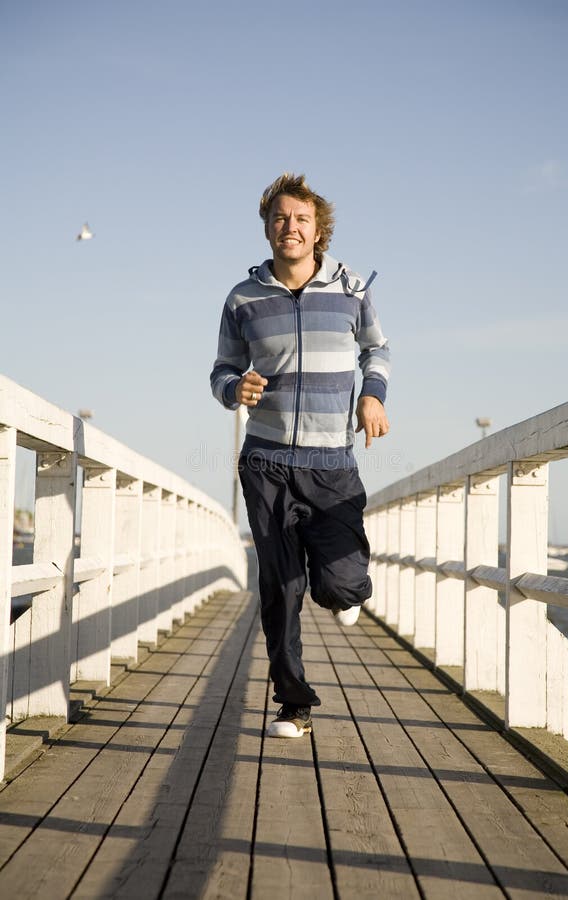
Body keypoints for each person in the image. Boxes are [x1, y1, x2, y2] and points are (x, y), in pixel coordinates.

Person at [210, 173, 390, 738]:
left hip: (331, 462)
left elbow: (377, 350)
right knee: (281, 587)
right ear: (267, 227)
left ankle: (342, 591)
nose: (290, 226)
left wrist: (372, 395)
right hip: (265, 461)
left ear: (318, 230)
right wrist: (233, 388)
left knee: (338, 584)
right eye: (280, 218)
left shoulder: (352, 289)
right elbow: (221, 369)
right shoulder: (242, 298)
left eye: (302, 219)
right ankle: (293, 704)